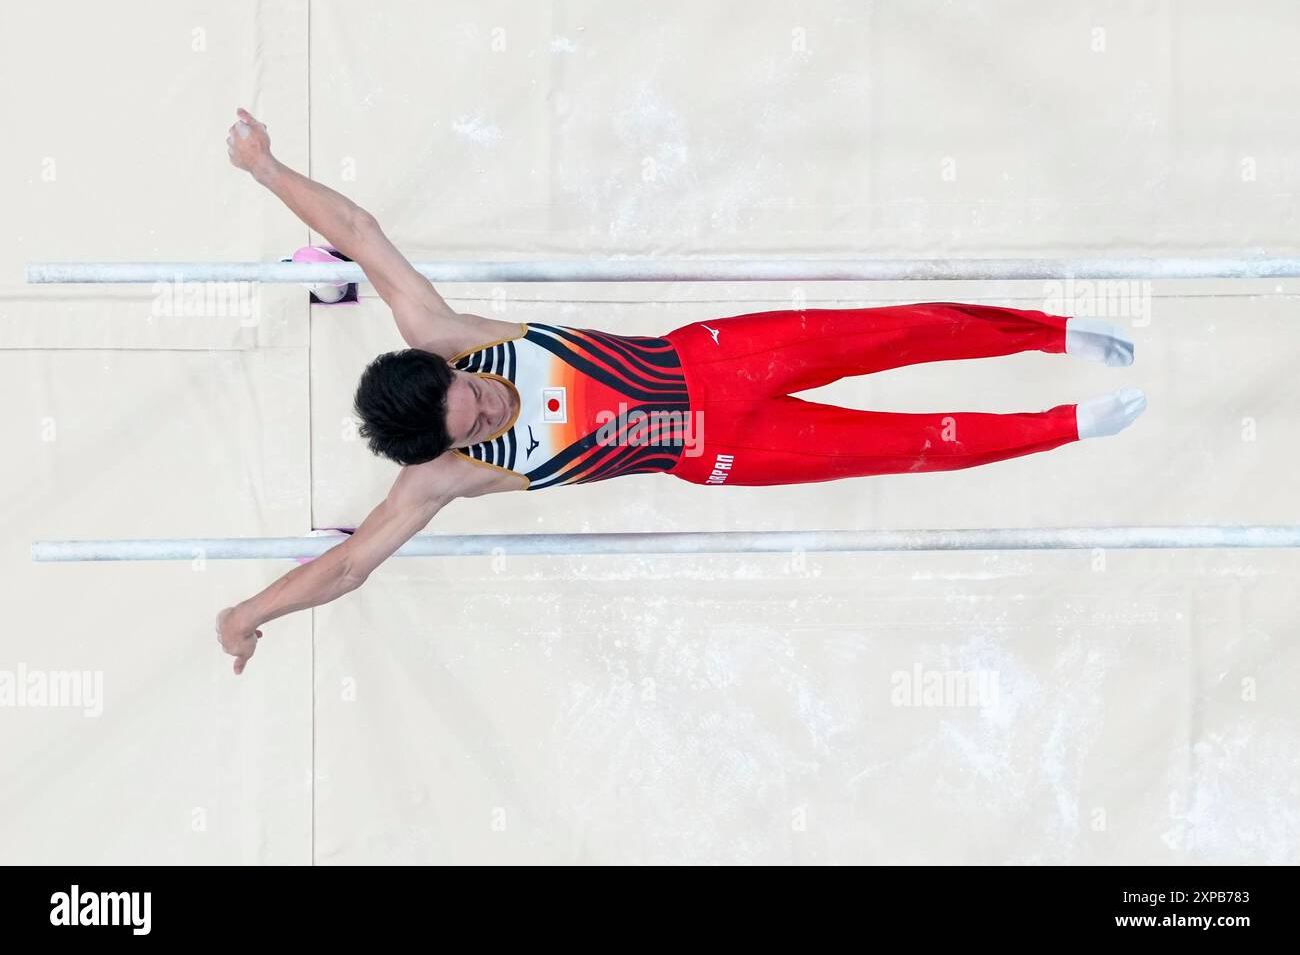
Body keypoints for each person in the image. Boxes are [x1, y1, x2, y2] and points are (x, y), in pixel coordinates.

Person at [216, 108, 1145, 674]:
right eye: (479, 424)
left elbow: (362, 229)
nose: (493, 407)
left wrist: (263, 170)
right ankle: (1066, 423)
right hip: (720, 453)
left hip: (714, 360)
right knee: (908, 443)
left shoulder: (444, 334)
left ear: (450, 366)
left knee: (899, 332)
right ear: (443, 448)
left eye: (480, 394)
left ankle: (1055, 333)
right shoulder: (438, 481)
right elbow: (348, 567)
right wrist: (247, 615)